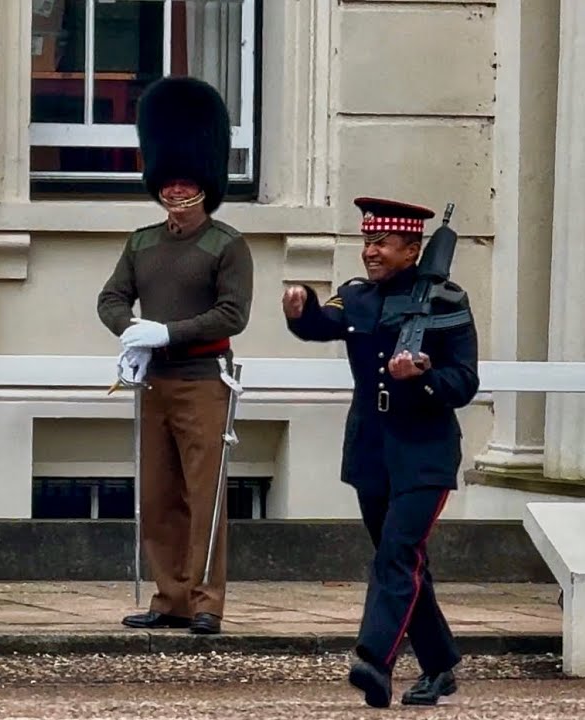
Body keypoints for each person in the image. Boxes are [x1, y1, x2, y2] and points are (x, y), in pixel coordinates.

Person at [282, 196, 479, 707]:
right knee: (405, 561)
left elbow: (464, 382)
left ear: (412, 248)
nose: (371, 251)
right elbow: (322, 323)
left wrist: (425, 376)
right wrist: (300, 306)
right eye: (367, 241)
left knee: (397, 555)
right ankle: (440, 666)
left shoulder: (446, 301)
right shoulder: (356, 297)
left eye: (383, 244)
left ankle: (374, 660)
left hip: (425, 451)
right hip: (372, 448)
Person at [96, 76, 254, 636]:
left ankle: (207, 601)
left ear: (205, 185)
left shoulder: (226, 243)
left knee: (204, 495)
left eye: (188, 183)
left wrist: (168, 333)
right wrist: (133, 333)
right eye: (171, 182)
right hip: (155, 381)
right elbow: (111, 297)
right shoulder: (141, 242)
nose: (178, 192)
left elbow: (232, 315)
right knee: (158, 495)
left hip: (204, 378)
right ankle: (170, 598)